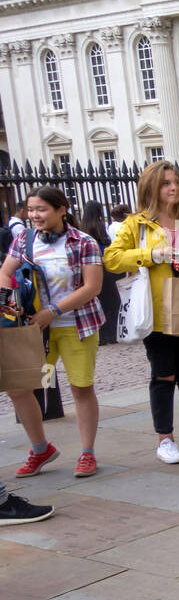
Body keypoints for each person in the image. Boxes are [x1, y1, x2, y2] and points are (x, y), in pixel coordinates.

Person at [103, 160, 179, 464]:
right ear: (152, 188)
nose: (174, 187)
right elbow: (113, 259)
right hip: (154, 311)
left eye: (177, 182)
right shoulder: (139, 224)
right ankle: (165, 440)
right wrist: (151, 255)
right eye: (166, 183)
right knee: (163, 374)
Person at [0, 186, 106, 478]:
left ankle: (87, 452)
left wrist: (54, 311)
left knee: (80, 387)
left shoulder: (83, 242)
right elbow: (5, 272)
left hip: (75, 325)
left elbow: (92, 287)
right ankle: (40, 448)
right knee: (20, 387)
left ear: (61, 209)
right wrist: (6, 300)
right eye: (31, 210)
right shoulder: (24, 238)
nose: (35, 215)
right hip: (33, 329)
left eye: (42, 209)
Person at [80, 199, 121, 344]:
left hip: (89, 267)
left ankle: (101, 335)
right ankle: (111, 334)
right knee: (112, 302)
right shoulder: (98, 225)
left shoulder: (82, 226)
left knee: (99, 301)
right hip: (103, 267)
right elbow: (105, 244)